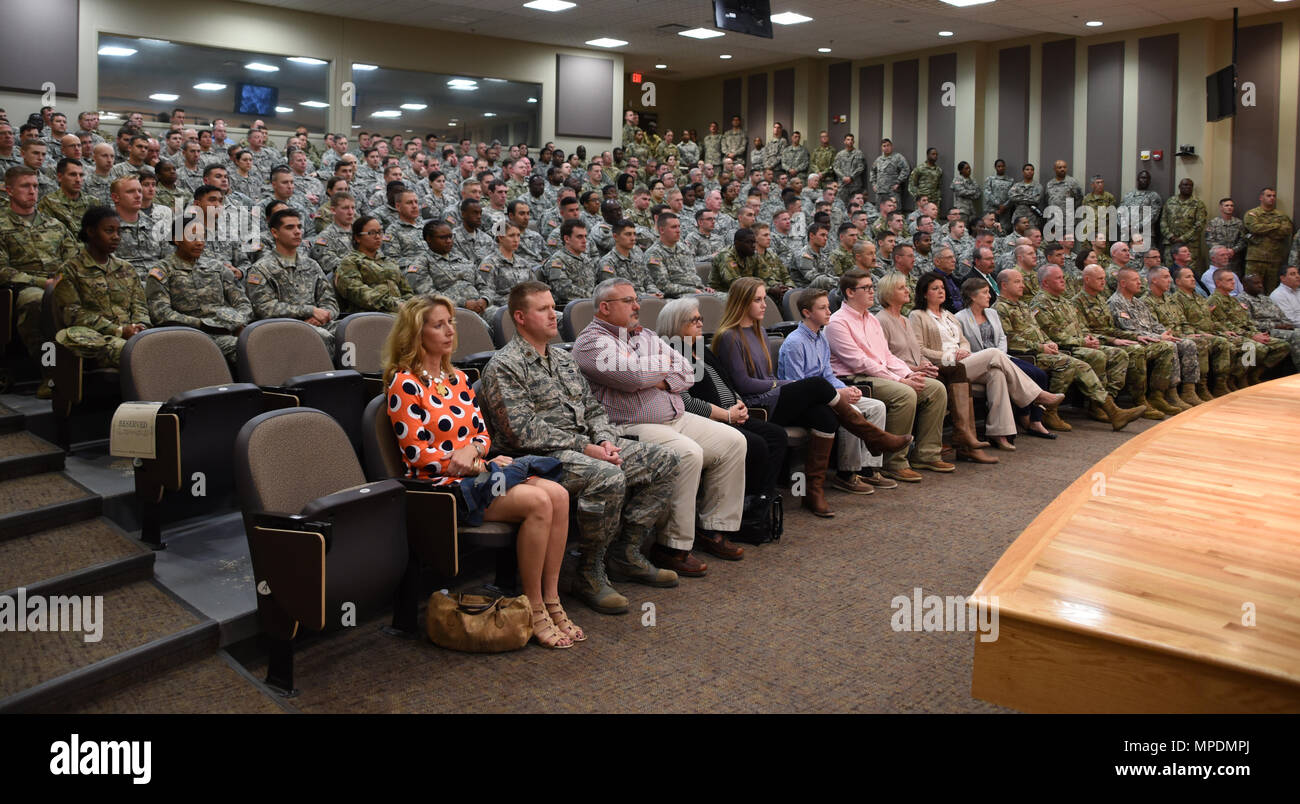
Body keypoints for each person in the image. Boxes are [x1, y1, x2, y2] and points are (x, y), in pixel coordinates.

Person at [381, 295, 578, 649]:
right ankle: (533, 607)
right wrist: (475, 461)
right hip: (441, 490)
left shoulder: (457, 377)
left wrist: (474, 453)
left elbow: (482, 435)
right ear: (416, 332)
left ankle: (552, 600)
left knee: (559, 494)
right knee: (538, 502)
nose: (449, 330)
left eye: (451, 322)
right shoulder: (404, 382)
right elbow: (419, 455)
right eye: (438, 324)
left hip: (477, 475)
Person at [479, 281, 680, 615]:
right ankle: (589, 572)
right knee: (607, 476)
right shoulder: (504, 366)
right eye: (542, 309)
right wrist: (586, 447)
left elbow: (594, 409)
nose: (553, 314)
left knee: (665, 461)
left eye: (552, 307)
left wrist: (603, 439)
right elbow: (522, 431)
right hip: (536, 459)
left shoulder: (562, 359)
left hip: (585, 447)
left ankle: (625, 554)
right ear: (520, 317)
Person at [574, 279, 746, 568]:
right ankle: (671, 546)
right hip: (630, 426)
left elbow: (688, 373)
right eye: (628, 301)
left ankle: (711, 527)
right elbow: (633, 378)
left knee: (733, 442)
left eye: (636, 299)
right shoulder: (591, 343)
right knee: (689, 453)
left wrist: (649, 370)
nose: (637, 306)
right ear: (604, 307)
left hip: (675, 416)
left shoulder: (645, 335)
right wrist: (660, 368)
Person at [713, 278, 910, 515]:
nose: (764, 304)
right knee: (815, 385)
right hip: (757, 405)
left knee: (825, 416)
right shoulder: (729, 336)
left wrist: (784, 384)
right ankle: (873, 436)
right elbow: (744, 384)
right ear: (741, 302)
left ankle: (812, 491)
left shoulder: (760, 332)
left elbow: (770, 376)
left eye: (765, 298)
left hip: (772, 396)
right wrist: (789, 384)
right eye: (757, 299)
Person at [907, 271, 1062, 452]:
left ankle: (999, 432)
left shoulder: (949, 315)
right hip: (944, 365)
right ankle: (1035, 395)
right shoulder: (917, 315)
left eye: (942, 287)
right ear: (925, 293)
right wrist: (950, 355)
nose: (941, 291)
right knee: (994, 353)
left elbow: (963, 340)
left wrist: (963, 350)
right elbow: (920, 349)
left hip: (963, 361)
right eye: (935, 289)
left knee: (996, 374)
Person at [660, 296, 789, 509]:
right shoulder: (672, 353)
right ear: (676, 324)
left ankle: (762, 499)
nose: (701, 323)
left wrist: (738, 403)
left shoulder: (700, 348)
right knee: (756, 443)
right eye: (694, 320)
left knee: (776, 435)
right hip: (710, 421)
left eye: (700, 318)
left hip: (731, 414)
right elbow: (687, 403)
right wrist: (727, 415)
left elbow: (727, 381)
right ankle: (747, 503)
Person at [994, 268, 1146, 429]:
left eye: (1022, 281)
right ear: (1004, 285)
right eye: (1017, 282)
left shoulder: (1023, 306)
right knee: (1071, 363)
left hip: (1047, 349)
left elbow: (1039, 331)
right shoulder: (1001, 308)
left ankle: (1111, 409)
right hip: (1026, 356)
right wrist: (1042, 346)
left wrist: (1048, 342)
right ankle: (1050, 412)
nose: (1022, 285)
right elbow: (1010, 339)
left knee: (1086, 363)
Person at [779, 288, 898, 492]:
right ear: (807, 313)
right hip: (808, 402)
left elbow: (827, 375)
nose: (829, 312)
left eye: (829, 307)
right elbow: (796, 385)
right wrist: (838, 395)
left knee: (877, 406)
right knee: (855, 412)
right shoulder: (795, 342)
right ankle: (847, 473)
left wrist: (847, 390)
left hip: (830, 394)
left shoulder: (821, 338)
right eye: (823, 308)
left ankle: (868, 469)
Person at [955, 277, 1060, 437]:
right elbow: (963, 346)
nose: (989, 295)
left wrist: (1001, 354)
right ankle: (1025, 417)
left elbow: (1002, 337)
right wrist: (993, 356)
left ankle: (1036, 421)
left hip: (1002, 357)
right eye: (984, 293)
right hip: (981, 361)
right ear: (972, 296)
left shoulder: (992, 313)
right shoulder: (959, 318)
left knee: (1040, 374)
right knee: (1028, 374)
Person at [145, 214, 251, 365]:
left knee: (263, 345)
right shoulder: (163, 270)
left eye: (202, 237)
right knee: (244, 349)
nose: (200, 242)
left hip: (227, 329)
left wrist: (236, 322)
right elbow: (160, 313)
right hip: (190, 335)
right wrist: (204, 324)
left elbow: (242, 302)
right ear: (177, 240)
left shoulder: (216, 267)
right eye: (193, 237)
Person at [53, 206, 150, 368]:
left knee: (169, 350)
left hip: (131, 335)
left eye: (119, 232)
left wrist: (140, 328)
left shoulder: (126, 268)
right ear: (91, 232)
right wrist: (118, 330)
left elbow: (140, 306)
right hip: (95, 339)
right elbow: (74, 315)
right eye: (109, 231)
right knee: (135, 353)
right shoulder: (70, 270)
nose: (116, 237)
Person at [246, 209, 338, 351]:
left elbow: (330, 301)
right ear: (275, 233)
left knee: (355, 331)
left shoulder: (311, 265)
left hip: (320, 324)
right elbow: (265, 308)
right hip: (281, 330)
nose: (297, 232)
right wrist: (310, 311)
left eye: (299, 227)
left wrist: (322, 316)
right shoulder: (261, 269)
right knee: (322, 337)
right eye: (290, 227)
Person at [334, 215, 415, 314]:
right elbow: (357, 293)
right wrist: (393, 304)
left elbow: (407, 291)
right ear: (357, 238)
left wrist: (411, 305)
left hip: (400, 310)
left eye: (380, 232)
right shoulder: (350, 262)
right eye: (371, 233)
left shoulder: (389, 261)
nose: (377, 237)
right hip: (371, 314)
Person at [1242, 187, 1294, 291]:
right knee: (1251, 288)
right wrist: (1275, 225)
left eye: (1274, 196)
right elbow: (1254, 228)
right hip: (1255, 258)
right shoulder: (1252, 214)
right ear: (1261, 197)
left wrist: (1263, 230)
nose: (1272, 198)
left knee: (1272, 289)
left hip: (1274, 259)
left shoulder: (1281, 215)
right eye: (1269, 195)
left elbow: (1286, 231)